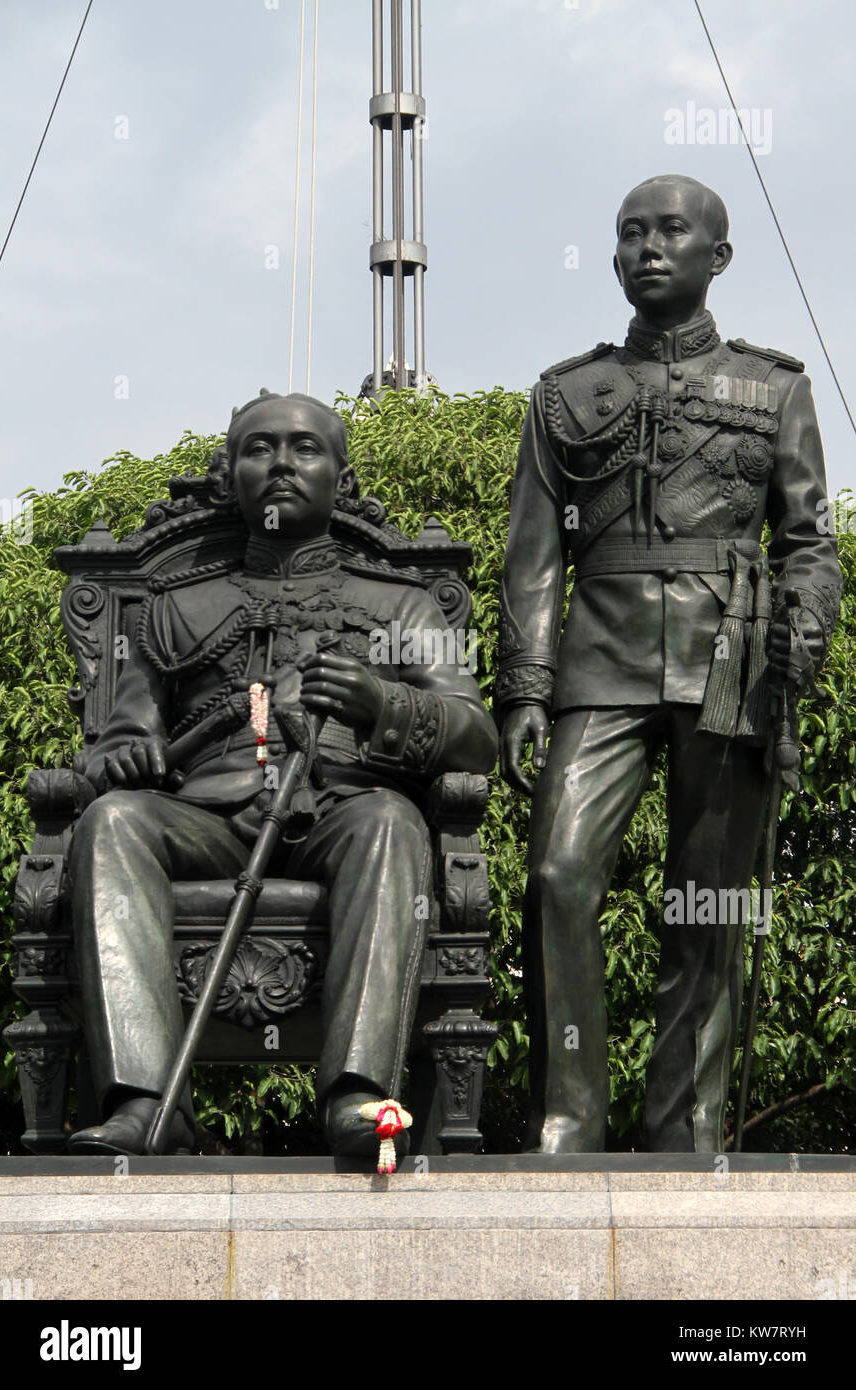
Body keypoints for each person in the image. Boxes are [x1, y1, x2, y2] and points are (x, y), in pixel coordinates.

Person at [496, 175, 842, 1153]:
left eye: (669, 232)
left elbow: (807, 540)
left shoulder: (772, 387)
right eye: (628, 234)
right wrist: (523, 687)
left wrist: (803, 627)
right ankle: (568, 1110)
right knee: (557, 876)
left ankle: (685, 1120)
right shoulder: (564, 393)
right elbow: (532, 556)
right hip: (596, 662)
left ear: (715, 256)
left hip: (726, 661)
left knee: (705, 904)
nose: (647, 248)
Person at [67, 390, 497, 1157]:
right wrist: (124, 758)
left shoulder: (400, 607)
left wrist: (381, 702)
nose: (281, 464)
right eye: (259, 448)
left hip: (343, 806)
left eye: (304, 449)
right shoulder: (172, 607)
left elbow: (476, 737)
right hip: (211, 817)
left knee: (393, 822)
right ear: (229, 471)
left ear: (340, 472)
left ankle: (357, 1096)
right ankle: (144, 1101)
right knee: (111, 820)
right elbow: (120, 740)